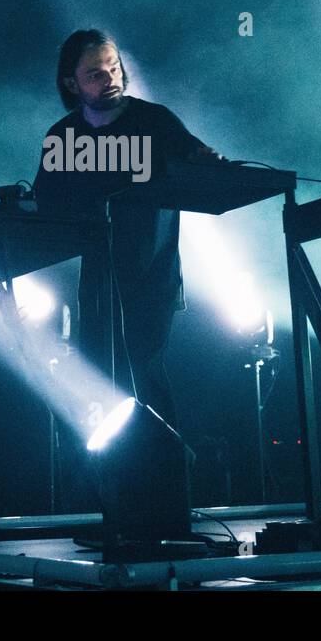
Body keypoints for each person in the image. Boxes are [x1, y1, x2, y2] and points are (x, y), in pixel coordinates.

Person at [32, 28, 223, 434]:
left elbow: (195, 156)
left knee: (144, 369)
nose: (110, 79)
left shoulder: (155, 121)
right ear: (72, 83)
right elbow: (44, 205)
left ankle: (168, 472)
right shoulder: (62, 137)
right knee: (100, 376)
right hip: (97, 282)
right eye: (95, 74)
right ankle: (116, 481)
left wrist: (205, 160)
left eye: (113, 67)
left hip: (153, 276)